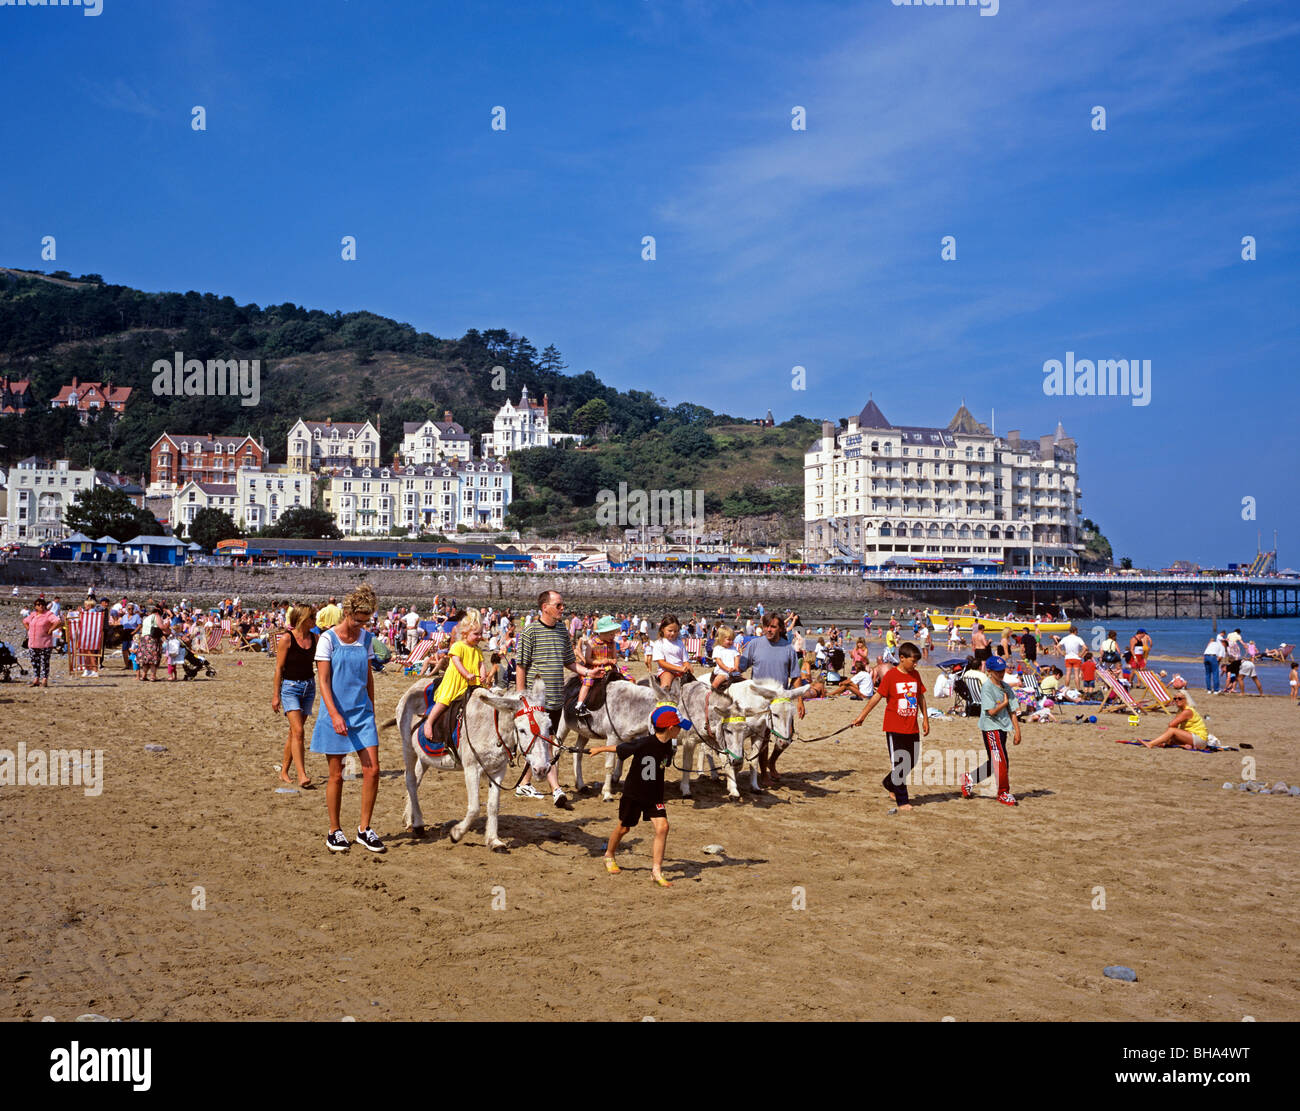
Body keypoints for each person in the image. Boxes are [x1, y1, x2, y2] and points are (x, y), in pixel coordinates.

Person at [310, 585, 384, 853]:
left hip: (362, 713)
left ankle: (364, 829)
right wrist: (334, 714)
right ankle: (334, 830)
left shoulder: (365, 639)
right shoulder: (328, 640)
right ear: (348, 613)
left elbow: (368, 677)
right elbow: (324, 681)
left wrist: (372, 709)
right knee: (337, 775)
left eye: (366, 620)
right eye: (358, 620)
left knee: (372, 770)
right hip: (336, 714)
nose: (362, 625)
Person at [586, 705, 690, 887]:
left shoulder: (669, 747)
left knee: (663, 827)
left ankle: (656, 871)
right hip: (634, 793)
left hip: (655, 795)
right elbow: (621, 748)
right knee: (624, 828)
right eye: (679, 727)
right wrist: (600, 749)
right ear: (671, 728)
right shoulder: (644, 743)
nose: (681, 730)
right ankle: (609, 854)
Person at [514, 589, 594, 809]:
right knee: (548, 743)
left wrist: (588, 673)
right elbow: (521, 665)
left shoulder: (562, 630)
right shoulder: (530, 631)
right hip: (535, 700)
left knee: (543, 743)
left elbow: (569, 662)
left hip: (557, 698)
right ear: (545, 607)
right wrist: (522, 697)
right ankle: (556, 790)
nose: (562, 609)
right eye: (558, 605)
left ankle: (524, 783)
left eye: (562, 605)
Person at [850, 641, 929, 811]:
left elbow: (921, 697)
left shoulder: (915, 675)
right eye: (913, 661)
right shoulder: (891, 676)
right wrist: (861, 716)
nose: (915, 665)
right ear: (902, 658)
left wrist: (925, 719)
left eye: (917, 662)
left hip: (912, 726)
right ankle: (903, 800)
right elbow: (876, 698)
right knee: (900, 763)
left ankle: (889, 782)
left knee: (912, 760)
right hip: (894, 727)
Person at [417, 614, 485, 763]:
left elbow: (481, 665)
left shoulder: (477, 650)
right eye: (476, 634)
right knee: (444, 702)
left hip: (471, 682)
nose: (479, 636)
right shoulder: (458, 646)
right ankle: (429, 722)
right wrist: (467, 674)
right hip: (456, 681)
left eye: (481, 633)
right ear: (465, 633)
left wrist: (483, 676)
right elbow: (457, 662)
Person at [961, 656, 1021, 807]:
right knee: (999, 761)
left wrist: (1017, 731)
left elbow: (1013, 710)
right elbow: (991, 711)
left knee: (998, 762)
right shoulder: (987, 687)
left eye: (1002, 670)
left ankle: (970, 779)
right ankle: (1003, 793)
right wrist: (1005, 703)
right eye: (998, 671)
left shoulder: (1006, 687)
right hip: (990, 728)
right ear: (989, 671)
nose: (1001, 674)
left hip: (1003, 728)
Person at [273, 604, 318, 790]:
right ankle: (302, 775)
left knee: (294, 733)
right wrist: (275, 695)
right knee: (299, 732)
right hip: (290, 688)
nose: (315, 621)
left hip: (309, 687)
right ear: (302, 619)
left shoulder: (315, 638)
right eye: (312, 617)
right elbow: (278, 668)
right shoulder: (287, 639)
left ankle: (284, 771)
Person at [574, 615, 621, 718]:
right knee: (588, 682)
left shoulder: (612, 643)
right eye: (611, 634)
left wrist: (610, 660)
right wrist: (599, 662)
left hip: (609, 667)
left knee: (628, 679)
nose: (613, 636)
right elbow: (588, 659)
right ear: (602, 633)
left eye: (614, 634)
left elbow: (614, 658)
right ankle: (580, 704)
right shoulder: (592, 643)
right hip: (594, 668)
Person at [1140, 692, 1212, 749]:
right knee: (1171, 735)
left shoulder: (1187, 711)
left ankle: (1150, 744)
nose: (1177, 700)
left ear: (1186, 700)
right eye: (1175, 698)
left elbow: (1172, 725)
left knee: (1172, 731)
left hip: (1199, 739)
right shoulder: (1181, 710)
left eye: (1180, 698)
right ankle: (1183, 745)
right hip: (1193, 737)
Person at [22, 598, 61, 688]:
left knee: (44, 662)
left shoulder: (48, 614)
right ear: (35, 606)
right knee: (35, 662)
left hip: (45, 643)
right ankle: (36, 679)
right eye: (38, 604)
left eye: (42, 604)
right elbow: (24, 621)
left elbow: (58, 621)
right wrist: (28, 629)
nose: (41, 606)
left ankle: (44, 680)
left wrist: (51, 629)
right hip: (33, 643)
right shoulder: (33, 614)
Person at [651, 615, 691, 691]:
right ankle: (662, 700)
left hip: (681, 671)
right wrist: (679, 668)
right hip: (666, 671)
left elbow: (685, 660)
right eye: (670, 631)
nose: (673, 633)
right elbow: (661, 663)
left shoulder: (680, 643)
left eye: (675, 631)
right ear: (662, 629)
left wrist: (688, 667)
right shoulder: (659, 643)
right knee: (666, 686)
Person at [710, 625, 741, 690]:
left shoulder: (733, 648)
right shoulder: (718, 649)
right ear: (721, 639)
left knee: (744, 681)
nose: (731, 642)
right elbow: (719, 661)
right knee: (716, 683)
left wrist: (736, 666)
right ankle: (711, 694)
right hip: (723, 672)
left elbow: (736, 657)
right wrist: (727, 669)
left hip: (734, 672)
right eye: (729, 640)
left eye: (732, 640)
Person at [1058, 625, 1086, 691]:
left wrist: (1062, 653)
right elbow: (1085, 647)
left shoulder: (1065, 638)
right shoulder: (1078, 638)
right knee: (1076, 674)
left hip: (1068, 657)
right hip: (1076, 658)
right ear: (1075, 631)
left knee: (1068, 673)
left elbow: (1057, 646)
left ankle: (1066, 687)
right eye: (1077, 631)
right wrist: (1081, 654)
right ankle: (1078, 688)